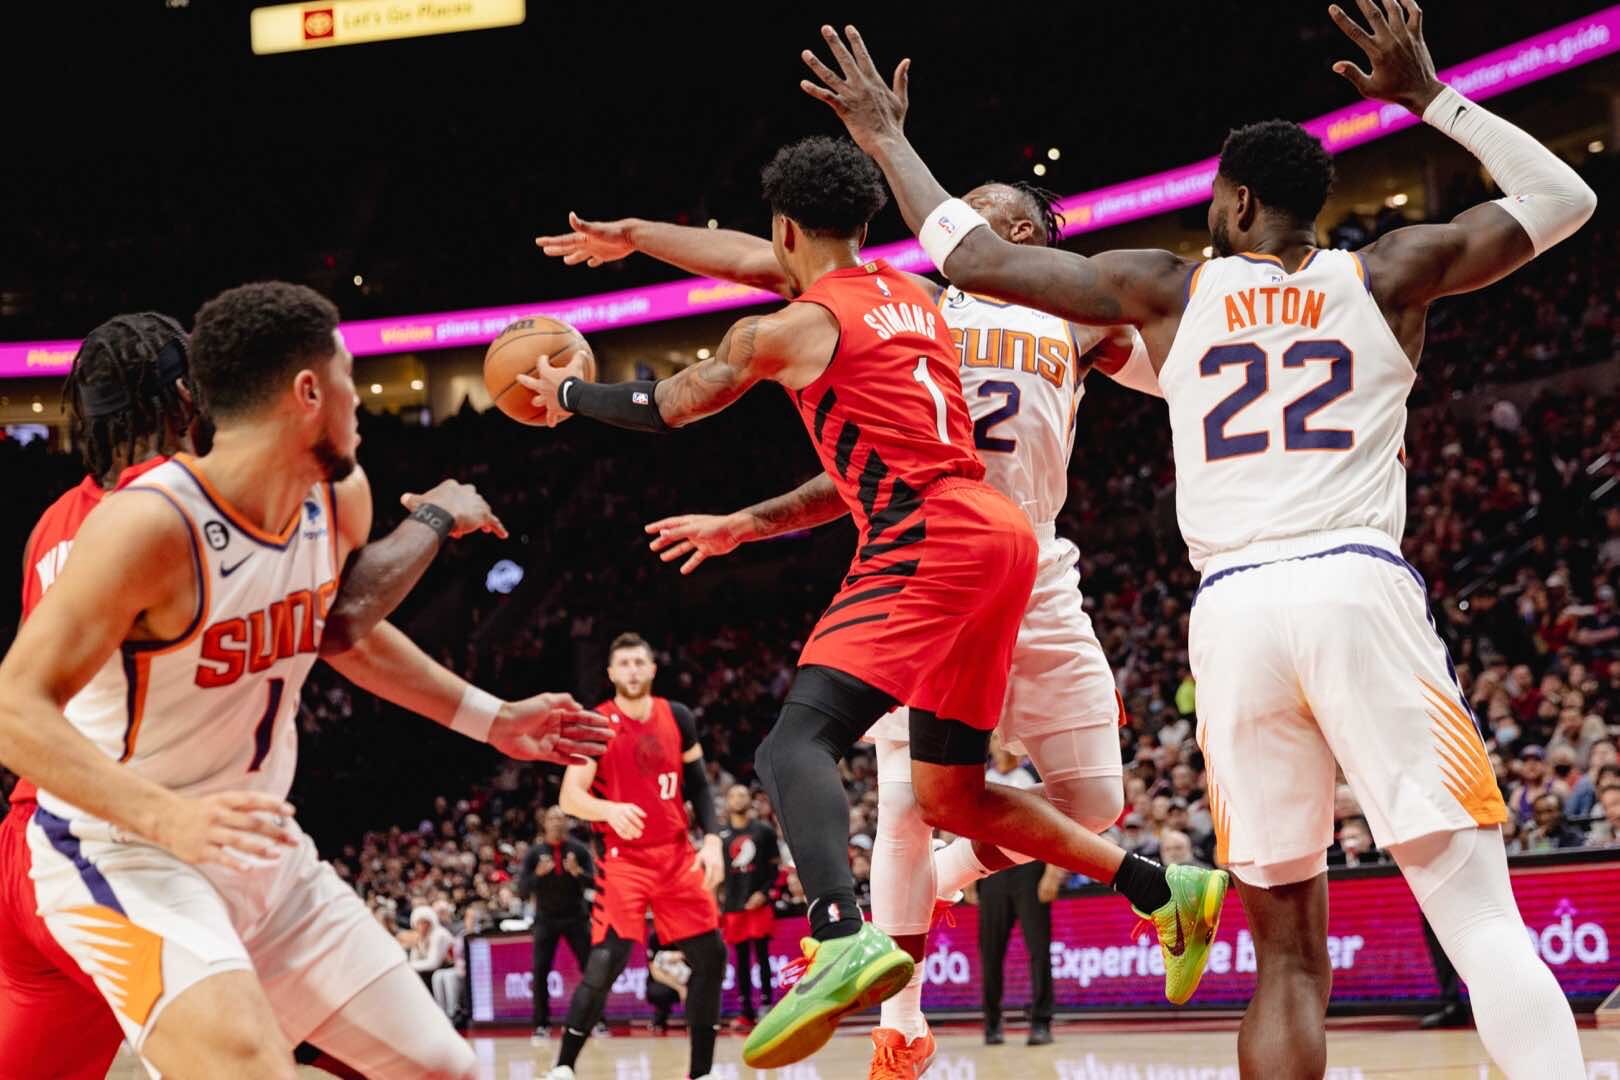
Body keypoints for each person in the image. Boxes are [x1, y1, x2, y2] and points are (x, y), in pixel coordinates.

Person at [798, 4, 1595, 1075]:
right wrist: (1429, 99)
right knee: (1478, 914)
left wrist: (886, 137)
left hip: (1231, 616)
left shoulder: (1168, 292)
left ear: (1240, 202)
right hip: (1355, 586)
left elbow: (973, 256)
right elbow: (1565, 196)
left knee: (1286, 961)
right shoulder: (1391, 271)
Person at [523, 134, 1228, 1070]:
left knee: (794, 745)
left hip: (931, 545)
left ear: (788, 230)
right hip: (999, 541)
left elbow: (671, 405)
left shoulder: (882, 315)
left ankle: (842, 934)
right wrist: (643, 238)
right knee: (938, 793)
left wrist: (568, 394)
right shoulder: (920, 300)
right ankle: (1150, 888)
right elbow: (749, 263)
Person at [0, 283, 614, 1079]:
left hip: (248, 838)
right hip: (116, 840)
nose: (364, 399)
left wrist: (490, 719)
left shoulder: (325, 496)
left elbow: (335, 627)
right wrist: (431, 522)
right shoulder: (144, 523)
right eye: (354, 378)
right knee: (243, 1063)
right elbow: (16, 710)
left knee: (440, 1068)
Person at [546, 633, 727, 1080]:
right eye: (622, 662)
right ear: (611, 673)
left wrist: (715, 839)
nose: (631, 669)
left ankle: (701, 1072)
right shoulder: (597, 724)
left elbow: (700, 785)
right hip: (624, 859)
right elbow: (570, 797)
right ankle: (564, 1067)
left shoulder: (678, 717)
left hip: (677, 856)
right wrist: (608, 809)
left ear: (651, 669)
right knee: (607, 959)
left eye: (638, 662)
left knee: (711, 957)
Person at [976, 735, 1059, 1048]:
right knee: (991, 952)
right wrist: (968, 878)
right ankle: (992, 1022)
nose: (1000, 744)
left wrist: (1053, 872)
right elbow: (964, 826)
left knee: (1038, 950)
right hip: (992, 871)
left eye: (1003, 738)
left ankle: (1041, 1021)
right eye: (995, 739)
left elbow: (1056, 828)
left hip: (1030, 870)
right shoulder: (981, 779)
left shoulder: (1033, 778)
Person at [517, 806, 595, 1038]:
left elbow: (594, 883)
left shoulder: (579, 850)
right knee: (540, 971)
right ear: (545, 823)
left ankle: (596, 1020)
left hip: (576, 918)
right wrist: (537, 875)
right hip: (545, 920)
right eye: (552, 818)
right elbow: (522, 889)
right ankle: (541, 1024)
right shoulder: (534, 853)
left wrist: (577, 872)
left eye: (561, 819)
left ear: (567, 823)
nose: (556, 823)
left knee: (591, 971)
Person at [716, 784, 780, 1026]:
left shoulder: (763, 831)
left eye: (742, 794)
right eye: (733, 795)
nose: (738, 799)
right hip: (734, 907)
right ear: (727, 801)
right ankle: (746, 1010)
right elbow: (719, 873)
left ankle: (766, 1003)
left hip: (758, 904)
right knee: (740, 959)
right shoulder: (720, 835)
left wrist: (764, 894)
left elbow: (775, 869)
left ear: (749, 800)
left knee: (763, 956)